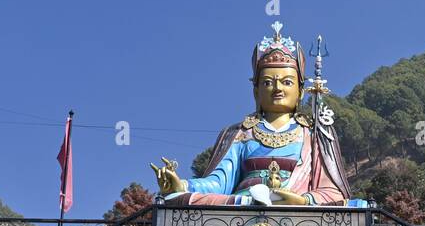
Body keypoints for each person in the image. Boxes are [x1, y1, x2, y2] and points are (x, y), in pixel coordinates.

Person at [149, 23, 365, 207]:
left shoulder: (313, 133)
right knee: (180, 197)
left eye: (287, 82)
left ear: (300, 91)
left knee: (359, 205)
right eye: (268, 82)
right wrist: (184, 185)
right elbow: (218, 182)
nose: (277, 89)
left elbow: (332, 191)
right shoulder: (241, 133)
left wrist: (302, 200)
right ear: (256, 90)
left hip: (297, 208)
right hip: (244, 205)